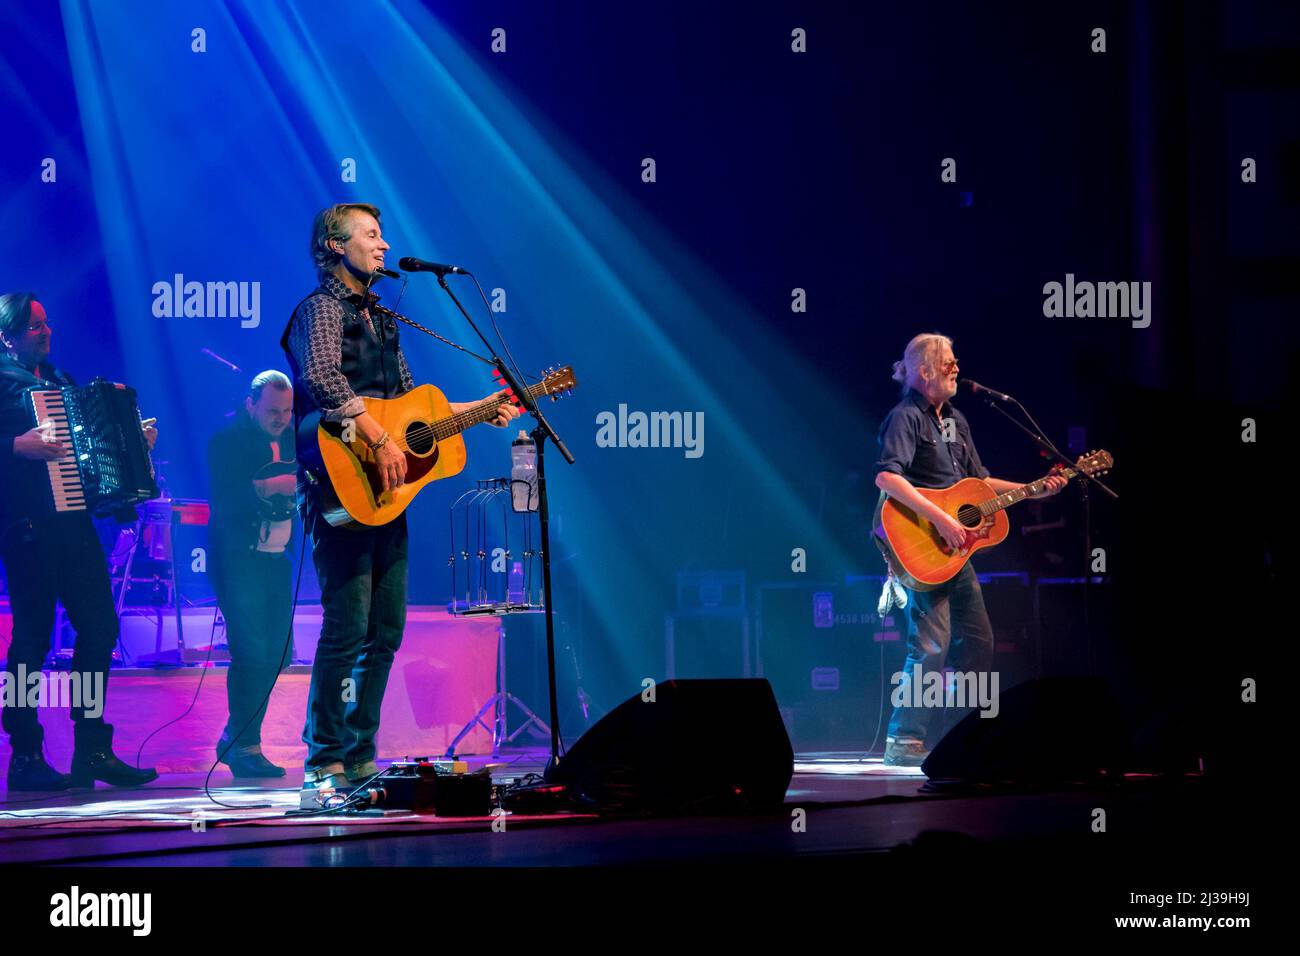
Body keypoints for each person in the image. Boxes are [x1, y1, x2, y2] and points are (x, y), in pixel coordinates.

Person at [281, 203, 519, 800]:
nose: (384, 246)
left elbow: (417, 412)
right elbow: (321, 378)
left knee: (385, 631)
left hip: (386, 496)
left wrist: (482, 412)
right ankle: (323, 762)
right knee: (345, 628)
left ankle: (360, 757)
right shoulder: (322, 309)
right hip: (341, 485)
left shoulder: (382, 316)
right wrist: (379, 436)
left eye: (383, 235)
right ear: (335, 246)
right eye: (371, 236)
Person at [873, 333, 1066, 766]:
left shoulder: (957, 420)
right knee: (929, 645)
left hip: (954, 552)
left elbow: (979, 482)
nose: (957, 368)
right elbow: (888, 479)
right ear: (924, 371)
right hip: (921, 542)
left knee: (978, 642)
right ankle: (903, 739)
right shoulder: (905, 417)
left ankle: (960, 736)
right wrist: (941, 517)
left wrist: (1032, 491)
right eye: (948, 363)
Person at [0, 292, 159, 790]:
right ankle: (25, 753)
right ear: (7, 335)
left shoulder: (60, 383)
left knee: (99, 629)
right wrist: (13, 446)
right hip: (27, 529)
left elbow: (88, 455)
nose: (46, 333)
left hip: (72, 525)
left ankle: (91, 747)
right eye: (34, 327)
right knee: (30, 640)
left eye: (47, 324)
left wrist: (131, 440)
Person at [207, 370, 298, 778]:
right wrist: (271, 487)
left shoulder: (296, 439)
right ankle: (245, 745)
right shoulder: (227, 441)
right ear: (250, 405)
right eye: (272, 411)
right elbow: (225, 499)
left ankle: (234, 736)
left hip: (277, 559)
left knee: (278, 654)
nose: (281, 418)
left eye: (287, 411)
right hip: (239, 559)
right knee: (252, 653)